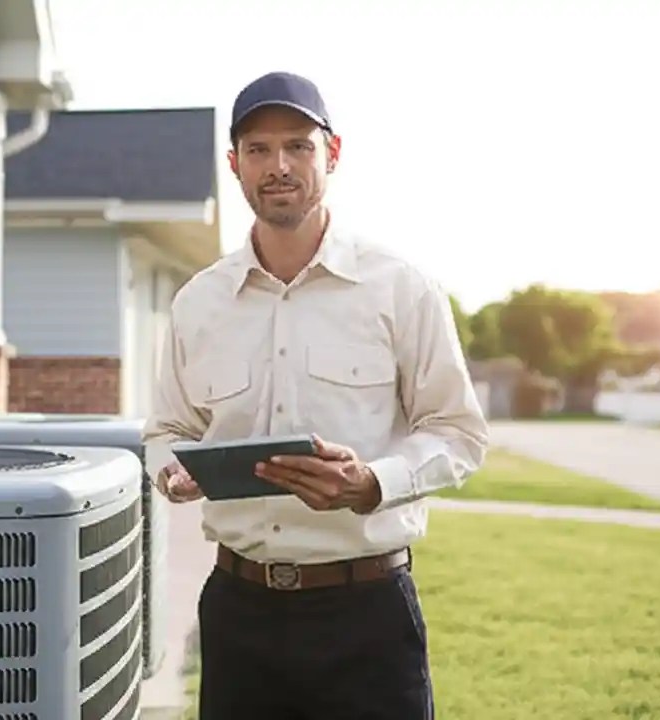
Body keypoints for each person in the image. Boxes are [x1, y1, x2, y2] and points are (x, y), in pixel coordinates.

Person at [141, 70, 490, 720]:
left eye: (298, 146)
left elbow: (458, 433)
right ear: (234, 164)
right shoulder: (197, 303)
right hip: (238, 615)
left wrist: (372, 483)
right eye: (258, 149)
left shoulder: (401, 288)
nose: (278, 166)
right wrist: (173, 470)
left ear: (332, 154)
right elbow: (166, 430)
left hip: (368, 616)